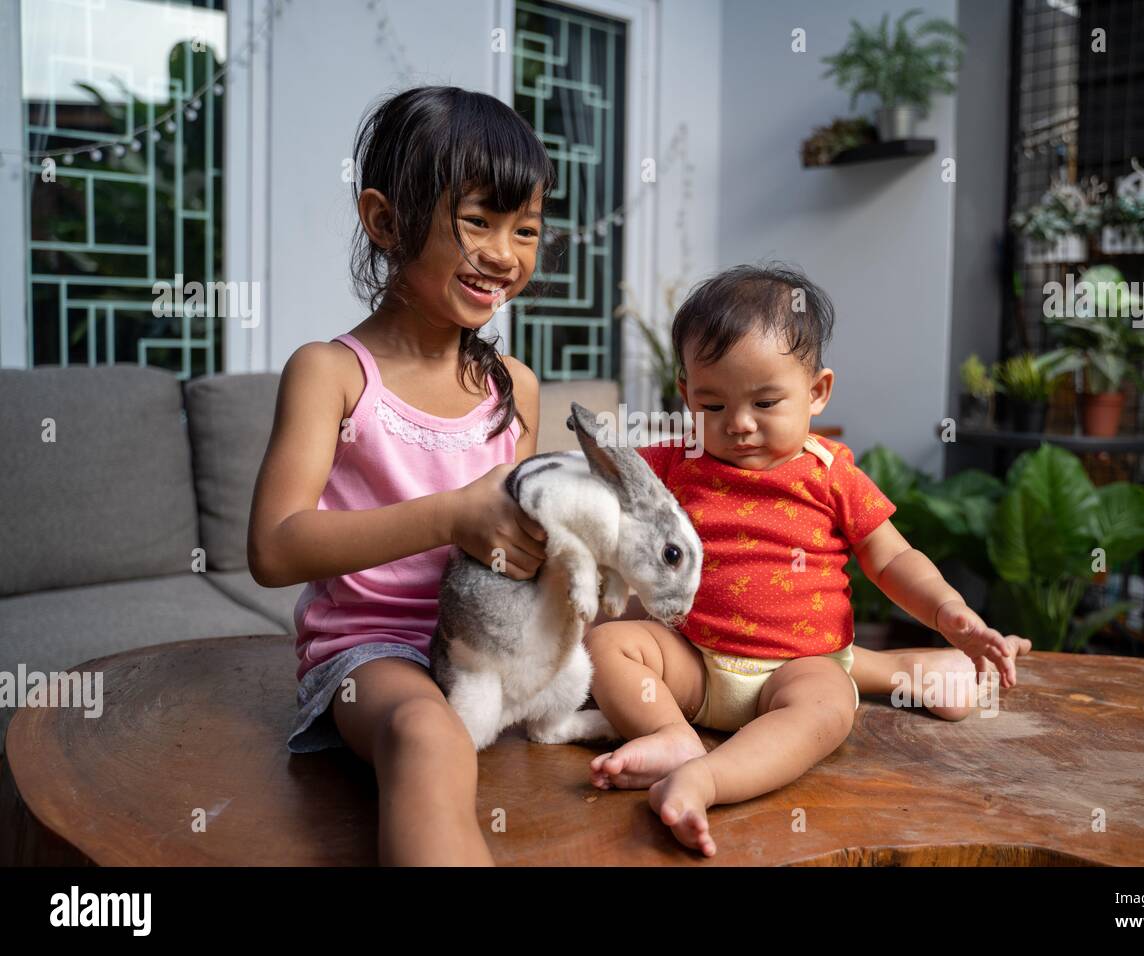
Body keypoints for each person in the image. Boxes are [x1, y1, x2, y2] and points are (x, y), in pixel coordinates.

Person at [585, 264, 1033, 856]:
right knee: (609, 646)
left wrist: (947, 608)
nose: (738, 425)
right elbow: (599, 483)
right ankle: (673, 738)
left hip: (797, 668)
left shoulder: (830, 472)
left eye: (766, 401)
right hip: (693, 661)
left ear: (817, 391)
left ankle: (708, 778)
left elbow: (892, 556)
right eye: (711, 404)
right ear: (685, 392)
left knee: (827, 708)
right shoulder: (672, 461)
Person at [247, 86, 554, 865]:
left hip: (485, 649)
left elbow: (508, 558)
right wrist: (451, 515)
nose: (504, 254)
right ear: (384, 221)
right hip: (374, 654)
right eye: (478, 220)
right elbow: (275, 550)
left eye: (526, 229)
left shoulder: (514, 388)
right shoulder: (332, 374)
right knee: (426, 732)